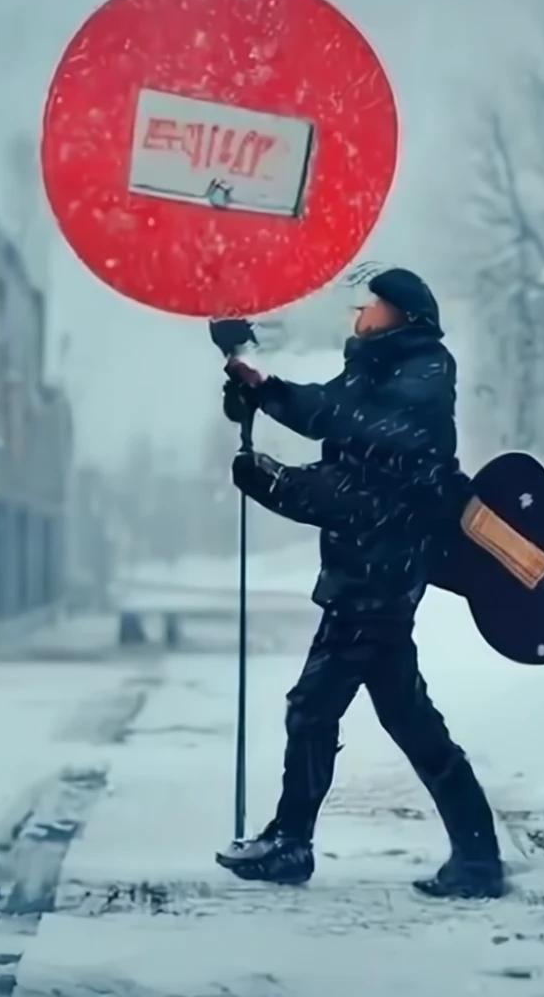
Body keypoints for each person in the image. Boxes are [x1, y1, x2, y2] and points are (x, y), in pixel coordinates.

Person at [214, 267, 504, 899]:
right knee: (406, 718)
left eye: (371, 307)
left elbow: (366, 487)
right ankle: (476, 858)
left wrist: (279, 483)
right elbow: (332, 413)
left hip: (381, 575)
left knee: (315, 708)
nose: (359, 316)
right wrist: (263, 392)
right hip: (365, 576)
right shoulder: (375, 374)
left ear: (404, 316)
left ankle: (293, 844)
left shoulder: (422, 378)